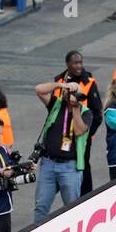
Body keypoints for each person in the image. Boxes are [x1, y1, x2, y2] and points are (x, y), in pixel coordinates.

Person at [32, 57, 94, 222]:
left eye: (74, 92)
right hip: (48, 164)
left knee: (72, 208)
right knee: (41, 207)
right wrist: (61, 85)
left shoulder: (86, 112)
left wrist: (74, 108)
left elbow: (80, 131)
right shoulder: (56, 104)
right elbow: (39, 89)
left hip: (70, 167)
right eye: (68, 92)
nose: (70, 95)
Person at [49, 50, 103, 196]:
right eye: (75, 63)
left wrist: (86, 134)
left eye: (81, 62)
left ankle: (86, 197)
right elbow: (52, 109)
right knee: (59, 164)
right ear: (68, 64)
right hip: (61, 135)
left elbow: (97, 114)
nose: (79, 66)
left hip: (81, 135)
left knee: (82, 166)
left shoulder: (89, 83)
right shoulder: (59, 82)